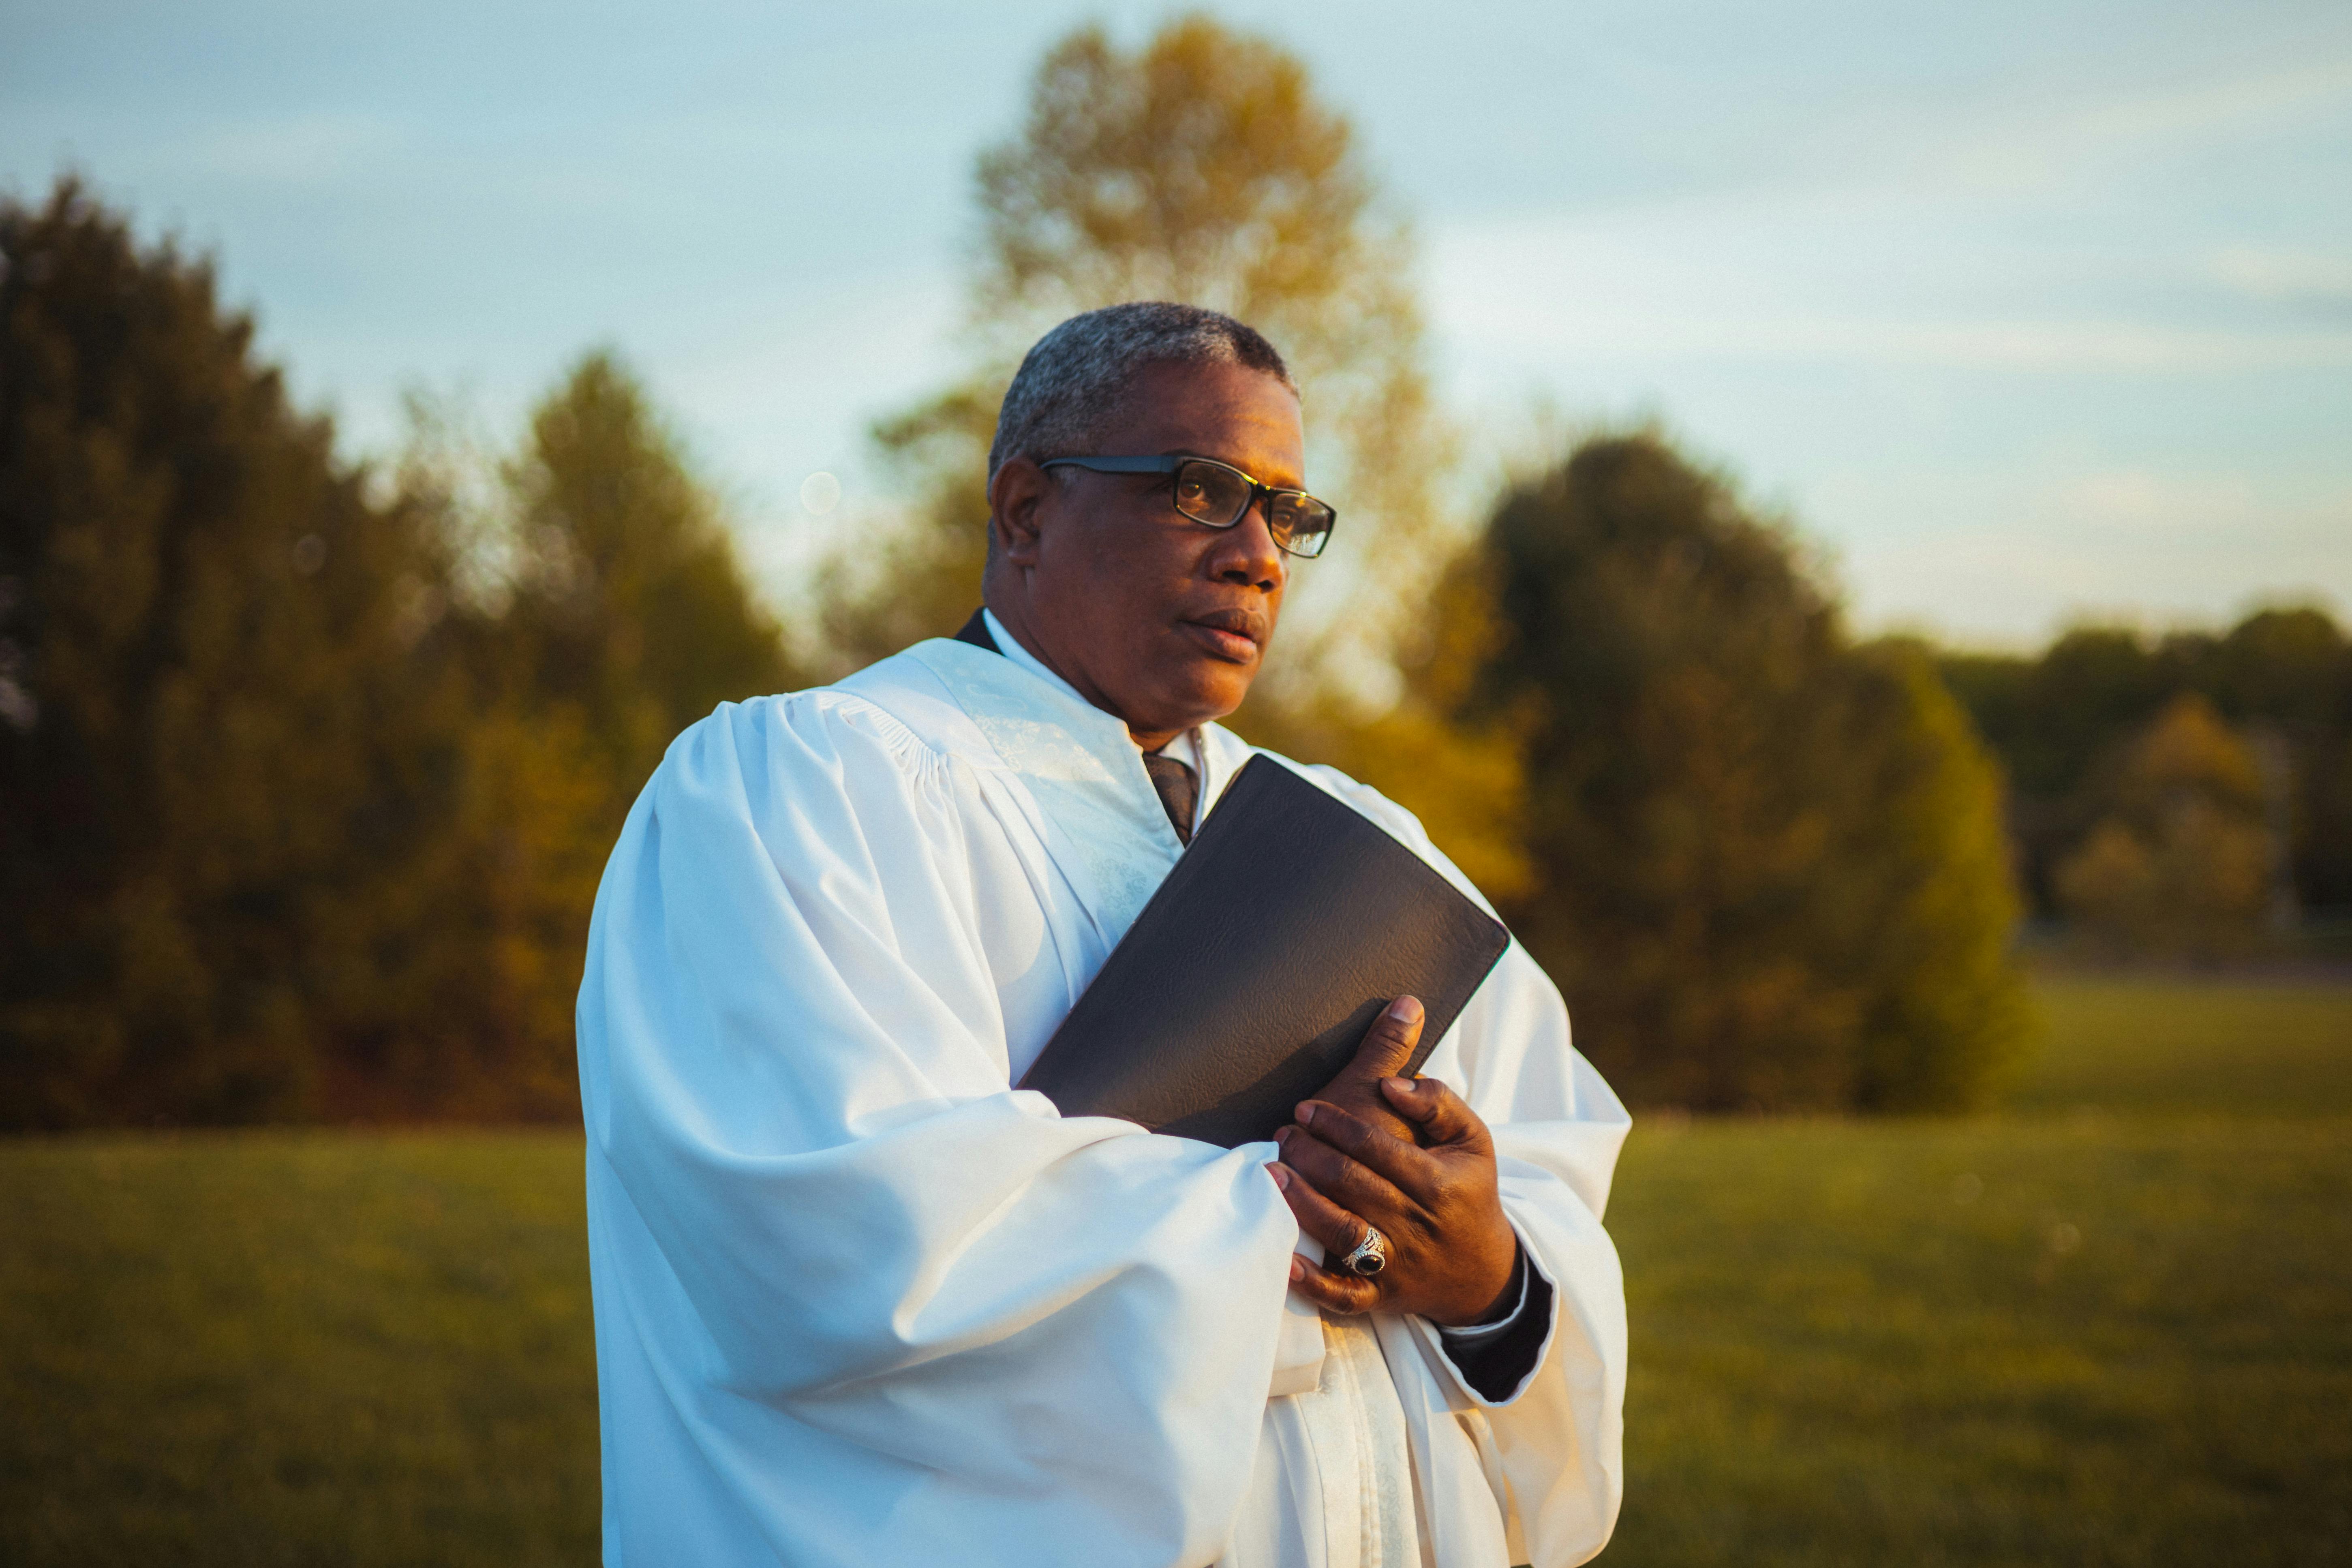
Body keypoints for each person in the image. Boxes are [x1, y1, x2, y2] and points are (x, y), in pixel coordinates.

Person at [577, 302, 1630, 1567]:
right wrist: (1327, 1207)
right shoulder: (803, 790)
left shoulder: (1371, 847)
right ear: (1025, 511)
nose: (1257, 557)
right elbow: (850, 1244)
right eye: (1202, 492)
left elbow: (1545, 1179)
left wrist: (1485, 1274)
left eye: (1287, 515)